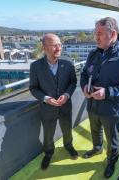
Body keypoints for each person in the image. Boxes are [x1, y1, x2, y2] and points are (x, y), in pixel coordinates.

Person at [80, 17, 119, 178]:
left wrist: (108, 92)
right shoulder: (94, 53)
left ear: (112, 33)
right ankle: (97, 148)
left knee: (113, 139)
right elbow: (85, 73)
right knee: (95, 131)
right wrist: (84, 86)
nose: (95, 37)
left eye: (99, 33)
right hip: (92, 105)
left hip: (112, 110)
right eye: (95, 33)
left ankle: (111, 161)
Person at [29, 33, 78, 170]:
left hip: (65, 107)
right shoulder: (36, 66)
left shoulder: (68, 63)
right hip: (47, 109)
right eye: (54, 45)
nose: (58, 48)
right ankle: (49, 153)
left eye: (60, 44)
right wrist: (46, 99)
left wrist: (67, 95)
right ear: (44, 48)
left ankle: (69, 146)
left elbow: (73, 82)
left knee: (67, 130)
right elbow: (33, 88)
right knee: (48, 134)